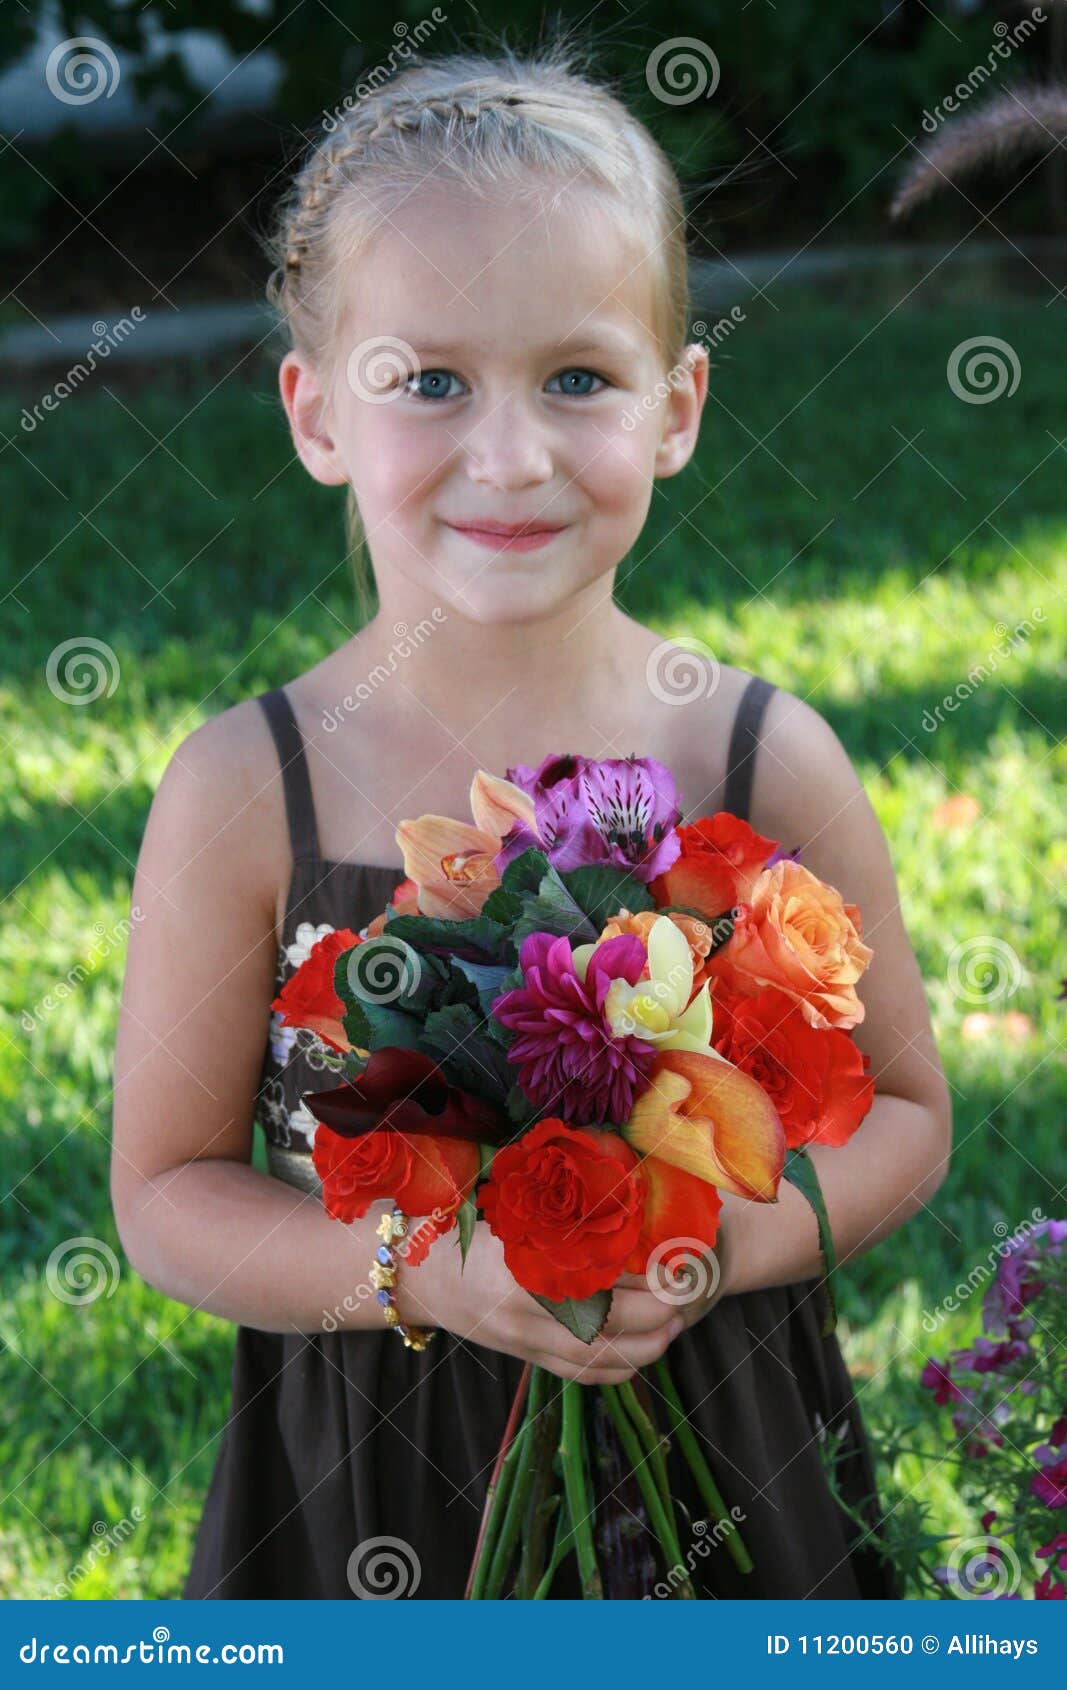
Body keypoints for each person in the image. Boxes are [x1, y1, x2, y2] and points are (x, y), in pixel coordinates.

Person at [110, 41, 952, 1600]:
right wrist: (422, 1269)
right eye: (429, 381)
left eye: (579, 377)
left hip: (722, 1435)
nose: (510, 454)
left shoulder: (761, 755)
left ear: (679, 405)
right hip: (367, 1462)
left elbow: (905, 1114)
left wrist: (686, 1252)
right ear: (313, 415)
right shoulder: (248, 789)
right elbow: (163, 1194)